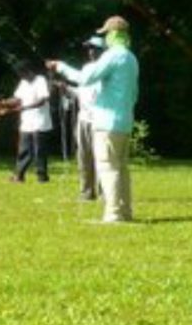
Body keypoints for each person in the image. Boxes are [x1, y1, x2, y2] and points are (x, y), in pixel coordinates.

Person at [50, 16, 139, 222]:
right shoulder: (131, 58)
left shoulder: (112, 56)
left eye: (106, 33)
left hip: (107, 123)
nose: (105, 38)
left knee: (108, 168)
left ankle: (114, 214)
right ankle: (125, 211)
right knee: (121, 169)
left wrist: (60, 67)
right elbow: (134, 92)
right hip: (124, 122)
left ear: (113, 34)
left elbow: (85, 79)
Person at [55, 36, 105, 201]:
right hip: (83, 119)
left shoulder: (106, 69)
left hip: (100, 120)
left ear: (102, 51)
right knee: (83, 157)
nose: (91, 52)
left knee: (101, 157)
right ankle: (86, 192)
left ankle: (104, 192)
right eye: (89, 48)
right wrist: (67, 88)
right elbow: (82, 93)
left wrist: (60, 67)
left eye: (95, 49)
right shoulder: (86, 68)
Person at [8, 59, 53, 183]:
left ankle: (42, 177)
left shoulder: (40, 80)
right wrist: (3, 103)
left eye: (22, 73)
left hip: (40, 122)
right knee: (24, 149)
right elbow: (17, 98)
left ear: (28, 71)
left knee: (39, 151)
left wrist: (25, 107)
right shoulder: (23, 82)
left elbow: (43, 100)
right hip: (27, 122)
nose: (21, 76)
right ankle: (19, 175)